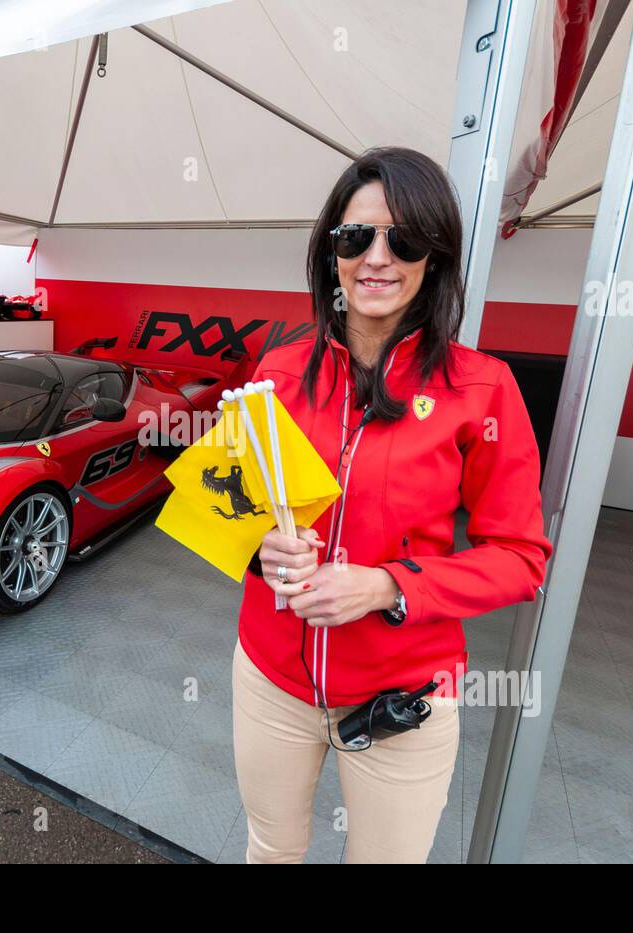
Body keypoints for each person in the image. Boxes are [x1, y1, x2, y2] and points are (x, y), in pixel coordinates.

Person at [232, 146, 554, 864]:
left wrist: (387, 585)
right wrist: (259, 548)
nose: (377, 258)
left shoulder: (483, 387)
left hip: (403, 699)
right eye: (356, 238)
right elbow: (230, 513)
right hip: (270, 677)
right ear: (331, 255)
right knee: (270, 848)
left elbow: (522, 558)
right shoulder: (278, 369)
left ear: (433, 257)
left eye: (403, 239)